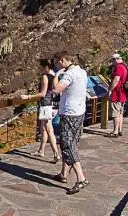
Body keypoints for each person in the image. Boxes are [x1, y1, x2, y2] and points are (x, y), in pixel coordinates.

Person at [51, 51, 89, 195]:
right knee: (72, 142)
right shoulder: (82, 72)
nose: (56, 65)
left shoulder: (69, 74)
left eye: (56, 62)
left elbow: (56, 90)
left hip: (69, 113)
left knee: (67, 145)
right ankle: (64, 174)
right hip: (80, 112)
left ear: (62, 60)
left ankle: (81, 178)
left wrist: (56, 76)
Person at [23, 59, 61, 163]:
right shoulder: (53, 76)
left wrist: (28, 97)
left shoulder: (45, 77)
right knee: (44, 129)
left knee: (49, 130)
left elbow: (43, 93)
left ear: (45, 67)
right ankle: (41, 151)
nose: (39, 69)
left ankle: (56, 154)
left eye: (40, 67)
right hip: (52, 106)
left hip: (45, 105)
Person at [108, 54, 128, 137]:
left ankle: (115, 131)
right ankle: (120, 130)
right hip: (123, 92)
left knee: (115, 113)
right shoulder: (125, 66)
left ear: (115, 59)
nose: (112, 63)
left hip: (117, 92)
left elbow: (116, 79)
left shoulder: (118, 67)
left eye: (112, 61)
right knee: (120, 112)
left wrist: (110, 89)